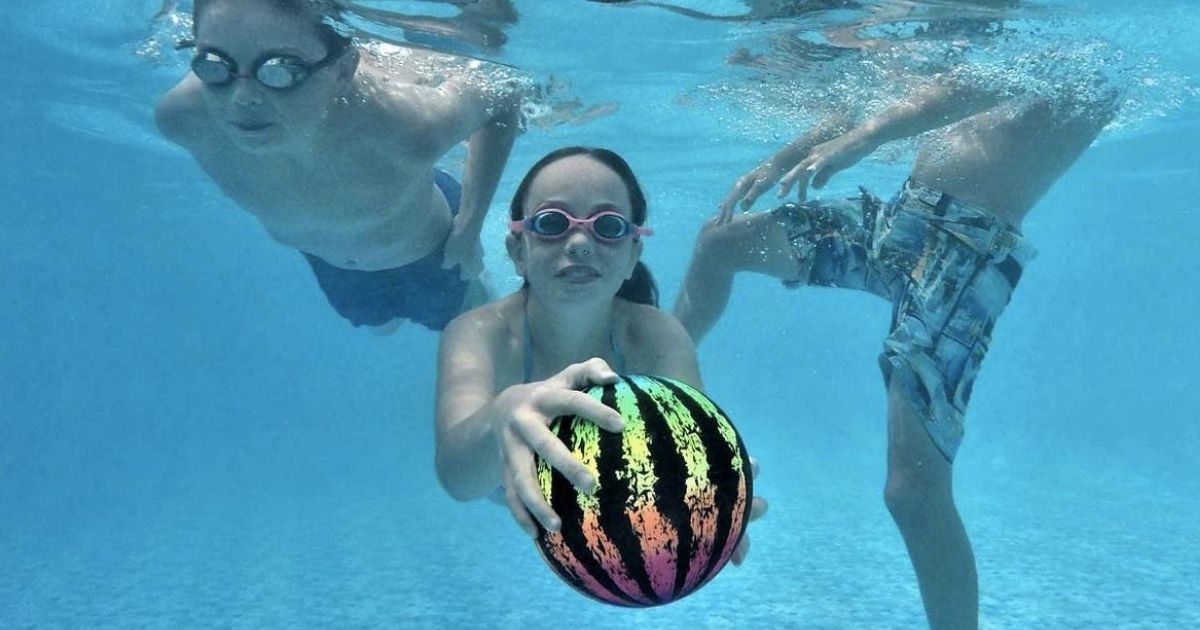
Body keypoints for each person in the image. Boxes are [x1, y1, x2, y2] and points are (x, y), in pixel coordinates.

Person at [673, 77, 1117, 628]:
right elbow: (881, 88)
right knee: (717, 244)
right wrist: (786, 155)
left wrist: (868, 136)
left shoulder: (1076, 51)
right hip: (898, 221)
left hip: (965, 250)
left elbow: (976, 86)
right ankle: (650, 382)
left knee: (913, 492)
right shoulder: (956, 34)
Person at [434, 147, 765, 562]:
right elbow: (457, 478)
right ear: (518, 251)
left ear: (632, 255)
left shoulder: (657, 335)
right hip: (511, 497)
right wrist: (502, 414)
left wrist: (713, 490)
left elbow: (687, 454)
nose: (578, 243)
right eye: (552, 223)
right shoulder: (479, 333)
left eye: (607, 227)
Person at [155, 0, 520, 333]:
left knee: (470, 324)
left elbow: (504, 90)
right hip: (332, 268)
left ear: (344, 69)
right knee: (379, 324)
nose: (243, 98)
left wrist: (469, 228)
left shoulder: (408, 126)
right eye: (214, 66)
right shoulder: (182, 118)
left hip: (431, 254)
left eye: (282, 70)